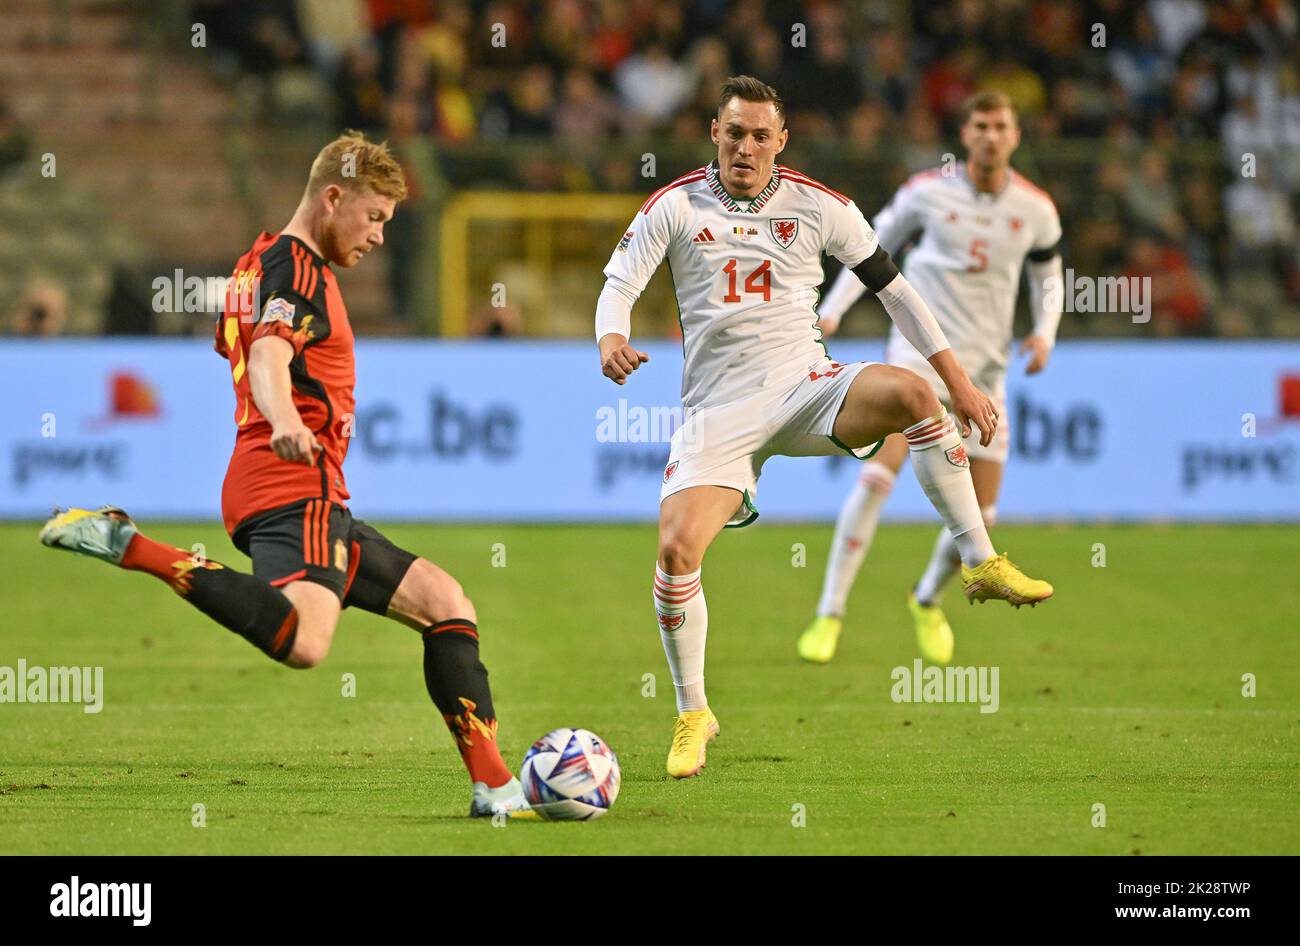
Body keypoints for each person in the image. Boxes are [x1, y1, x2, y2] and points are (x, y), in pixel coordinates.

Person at [39, 131, 530, 818]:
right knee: (306, 642)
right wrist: (286, 420)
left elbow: (241, 343)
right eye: (374, 217)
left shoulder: (256, 263)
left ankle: (494, 786)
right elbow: (269, 354)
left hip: (275, 479)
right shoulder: (297, 267)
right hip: (293, 478)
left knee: (446, 603)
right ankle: (134, 547)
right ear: (333, 196)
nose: (380, 236)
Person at [596, 78, 1052, 780]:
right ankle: (693, 713)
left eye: (759, 135)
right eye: (733, 133)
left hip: (804, 386)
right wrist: (610, 338)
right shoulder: (674, 204)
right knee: (677, 552)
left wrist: (958, 379)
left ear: (782, 141)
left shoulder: (820, 205)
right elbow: (620, 283)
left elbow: (893, 287)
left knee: (911, 391)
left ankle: (979, 561)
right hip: (717, 411)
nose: (745, 147)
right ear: (713, 133)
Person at [797, 91, 1065, 667]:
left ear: (1015, 137)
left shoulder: (1037, 209)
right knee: (876, 480)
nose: (991, 135)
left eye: (1001, 126)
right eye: (980, 125)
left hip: (984, 374)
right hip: (918, 363)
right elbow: (869, 249)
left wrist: (1044, 332)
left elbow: (1049, 276)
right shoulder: (926, 192)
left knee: (983, 517)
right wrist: (836, 308)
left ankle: (925, 599)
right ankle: (830, 612)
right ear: (965, 135)